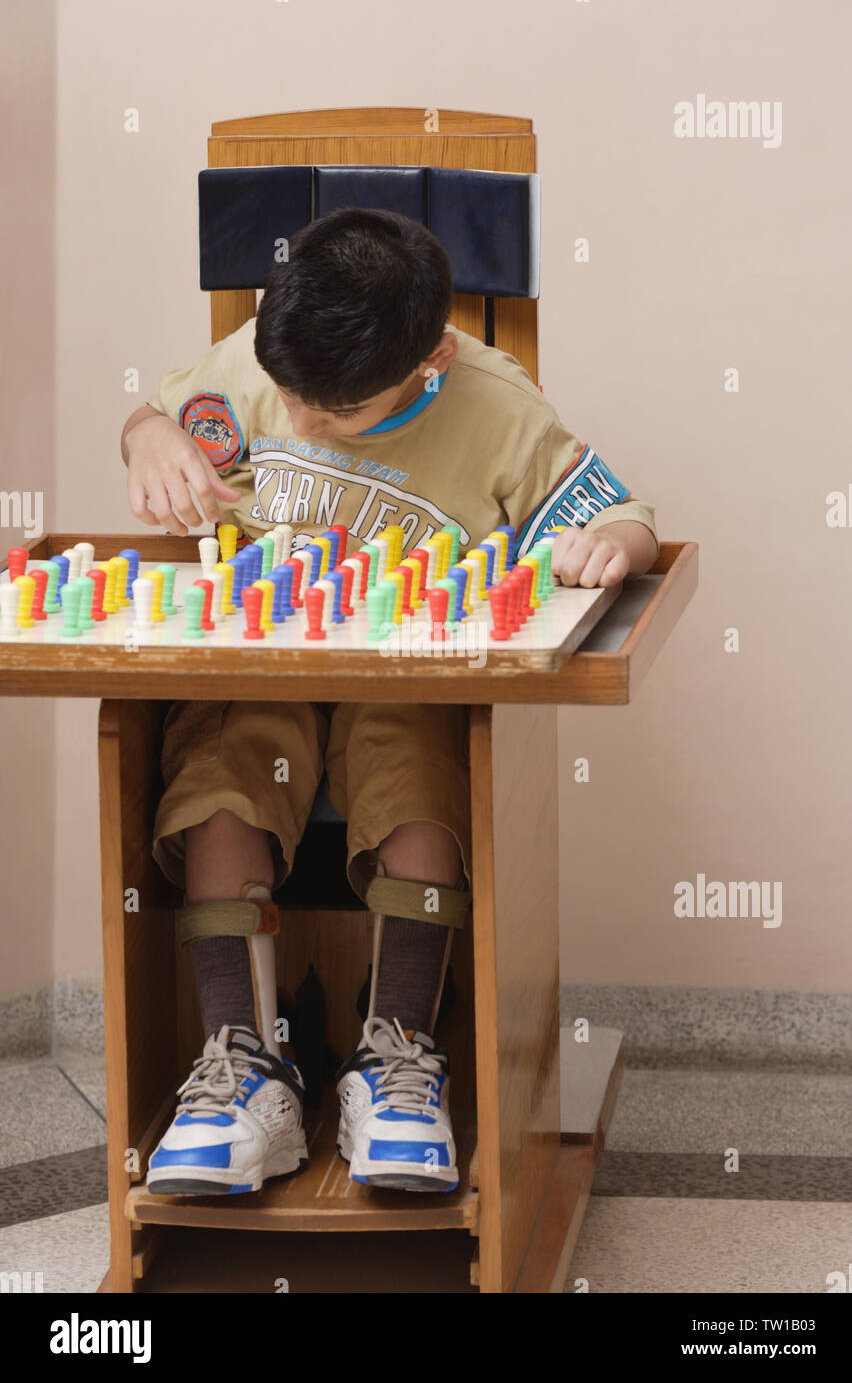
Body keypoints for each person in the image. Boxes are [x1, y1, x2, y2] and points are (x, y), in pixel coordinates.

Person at [121, 207, 659, 1196]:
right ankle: (239, 1064)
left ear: (431, 361)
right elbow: (161, 411)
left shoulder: (498, 406)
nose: (296, 420)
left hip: (406, 675)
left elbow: (622, 515)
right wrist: (148, 435)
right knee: (217, 773)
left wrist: (605, 549)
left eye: (334, 411)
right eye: (287, 396)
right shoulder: (259, 358)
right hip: (265, 661)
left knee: (415, 771)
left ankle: (398, 1057)